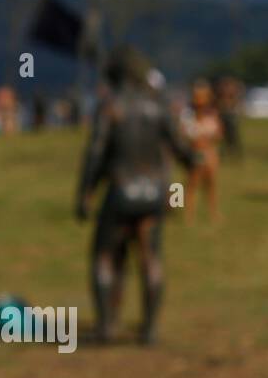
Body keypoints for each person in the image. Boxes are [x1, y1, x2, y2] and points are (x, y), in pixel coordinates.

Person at [76, 47, 197, 344]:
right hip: (154, 194)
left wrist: (85, 193)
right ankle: (150, 329)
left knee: (104, 257)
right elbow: (180, 146)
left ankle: (106, 327)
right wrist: (194, 160)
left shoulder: (110, 105)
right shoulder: (158, 104)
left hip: (120, 191)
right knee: (151, 259)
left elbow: (95, 153)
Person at [181, 80, 223, 223]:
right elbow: (183, 134)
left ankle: (214, 213)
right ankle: (188, 214)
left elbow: (219, 134)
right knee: (191, 184)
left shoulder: (212, 114)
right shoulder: (188, 115)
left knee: (211, 185)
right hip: (195, 153)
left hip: (209, 153)